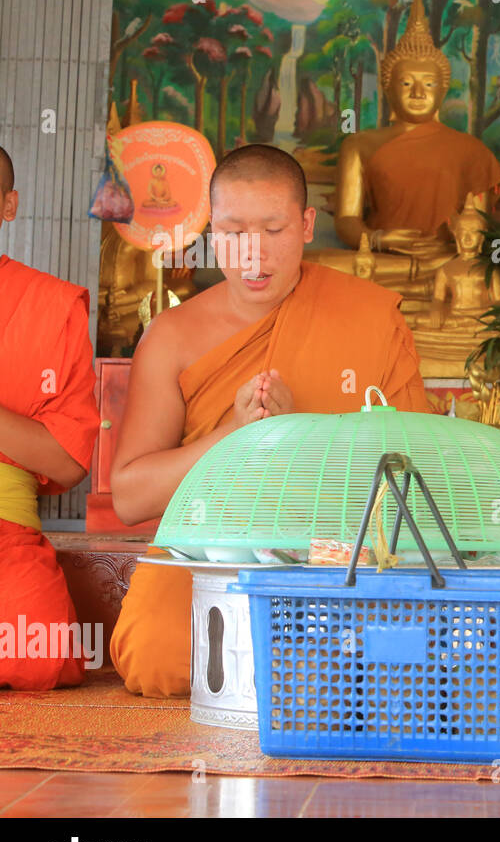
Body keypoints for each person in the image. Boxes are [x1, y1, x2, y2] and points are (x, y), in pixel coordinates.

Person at [108, 145, 432, 697]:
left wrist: (298, 437)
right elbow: (131, 497)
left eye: (273, 229)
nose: (252, 254)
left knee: (401, 652)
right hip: (213, 537)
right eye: (233, 233)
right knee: (156, 652)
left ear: (307, 225)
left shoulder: (369, 317)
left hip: (340, 542)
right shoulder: (173, 337)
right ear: (211, 231)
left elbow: (414, 477)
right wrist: (235, 436)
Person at [0, 144, 100, 689]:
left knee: (39, 655)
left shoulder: (49, 307)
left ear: (8, 205)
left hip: (6, 533)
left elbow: (66, 462)